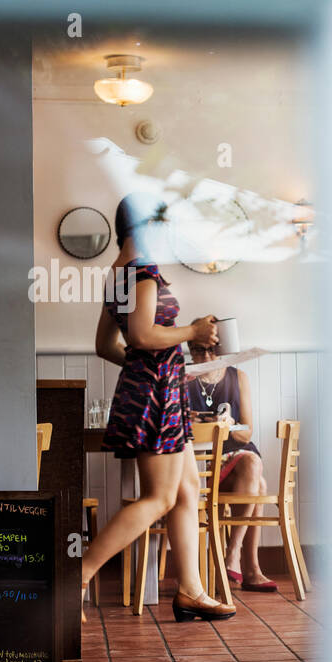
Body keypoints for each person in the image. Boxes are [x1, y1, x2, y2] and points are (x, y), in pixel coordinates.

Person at [79, 193, 238, 623]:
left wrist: (159, 369)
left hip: (155, 391)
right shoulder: (144, 274)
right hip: (157, 399)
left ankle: (190, 592)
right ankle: (77, 575)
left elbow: (106, 345)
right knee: (160, 497)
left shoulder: (117, 275)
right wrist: (191, 331)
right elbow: (145, 336)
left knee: (188, 491)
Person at [184, 342, 277, 591]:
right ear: (190, 350)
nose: (206, 355)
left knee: (252, 462)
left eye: (212, 349)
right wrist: (189, 419)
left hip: (234, 460)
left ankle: (233, 554)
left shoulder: (238, 377)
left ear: (223, 349)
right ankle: (251, 569)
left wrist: (230, 423)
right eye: (198, 350)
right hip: (199, 467)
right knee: (259, 483)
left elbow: (246, 435)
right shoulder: (183, 379)